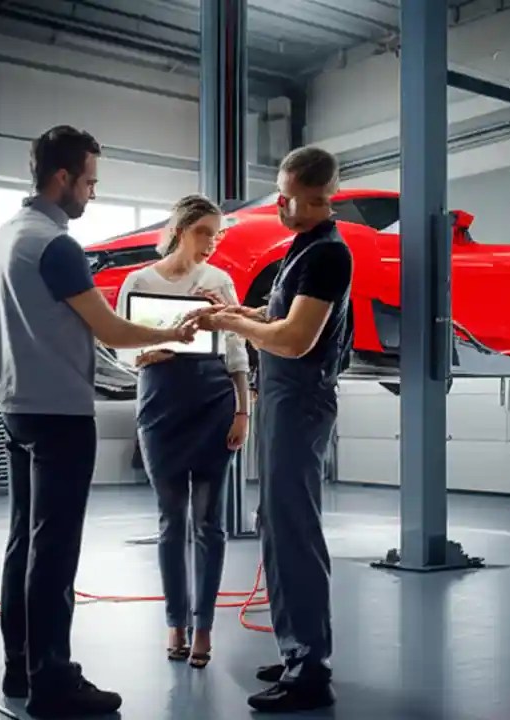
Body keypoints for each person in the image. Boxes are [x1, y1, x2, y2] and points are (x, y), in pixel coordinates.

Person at [0, 125, 199, 719]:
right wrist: (175, 332)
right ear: (62, 178)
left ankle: (20, 668)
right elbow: (110, 329)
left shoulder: (7, 235)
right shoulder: (57, 246)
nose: (92, 193)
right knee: (55, 551)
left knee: (24, 541)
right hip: (58, 413)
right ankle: (53, 681)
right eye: (89, 181)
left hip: (14, 406)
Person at [194, 146, 352, 713]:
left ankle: (310, 668)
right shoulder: (302, 249)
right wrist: (232, 312)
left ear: (315, 198)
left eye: (286, 197)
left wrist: (233, 324)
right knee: (276, 525)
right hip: (284, 399)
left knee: (294, 529)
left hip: (301, 399)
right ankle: (295, 650)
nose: (279, 205)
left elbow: (294, 339)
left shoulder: (328, 255)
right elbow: (277, 317)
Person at [114, 194, 251, 670]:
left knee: (209, 523)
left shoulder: (219, 281)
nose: (211, 242)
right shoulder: (139, 281)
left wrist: (243, 411)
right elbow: (120, 344)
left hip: (214, 402)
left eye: (217, 234)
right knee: (171, 521)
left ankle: (204, 627)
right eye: (203, 232)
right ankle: (175, 621)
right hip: (160, 404)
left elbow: (236, 350)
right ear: (179, 230)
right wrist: (142, 355)